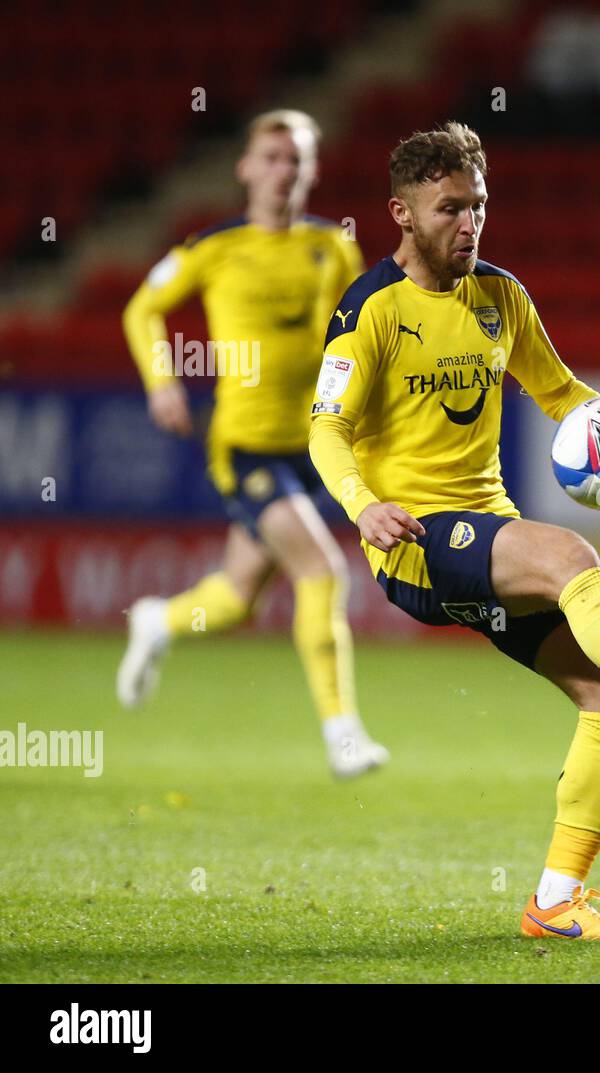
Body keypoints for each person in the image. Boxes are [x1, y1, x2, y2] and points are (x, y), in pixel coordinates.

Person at [308, 122, 600, 941]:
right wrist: (363, 508)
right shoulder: (369, 311)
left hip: (484, 532)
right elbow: (324, 429)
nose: (470, 225)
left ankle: (555, 901)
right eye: (450, 208)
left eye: (480, 207)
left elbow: (562, 393)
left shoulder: (501, 296)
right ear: (401, 212)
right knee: (571, 553)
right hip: (416, 544)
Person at [119, 109, 389, 779]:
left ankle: (157, 620)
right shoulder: (212, 247)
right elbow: (141, 308)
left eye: (296, 159)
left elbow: (348, 337)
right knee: (322, 570)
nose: (282, 171)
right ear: (244, 168)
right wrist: (162, 382)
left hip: (312, 445)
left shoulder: (334, 247)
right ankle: (342, 733)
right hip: (246, 445)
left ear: (312, 171)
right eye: (270, 157)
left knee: (238, 599)